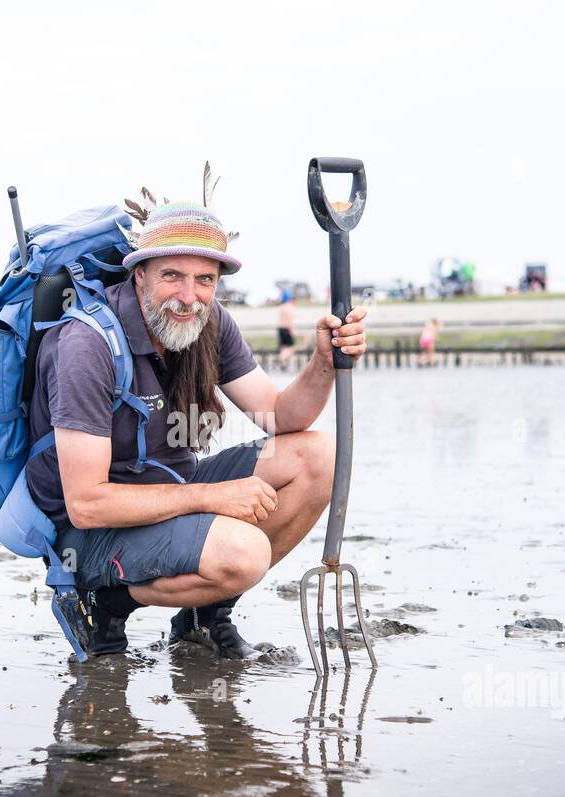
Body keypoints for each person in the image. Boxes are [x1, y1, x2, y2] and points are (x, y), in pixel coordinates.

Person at [26, 197, 368, 660]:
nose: (189, 296)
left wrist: (323, 363)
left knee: (318, 456)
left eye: (204, 279)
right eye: (172, 276)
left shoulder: (210, 323)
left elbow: (281, 417)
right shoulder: (87, 346)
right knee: (244, 553)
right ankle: (103, 601)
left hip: (170, 490)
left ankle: (201, 618)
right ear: (139, 273)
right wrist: (214, 498)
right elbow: (86, 504)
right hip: (92, 531)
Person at [276, 287, 297, 370]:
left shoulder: (282, 307)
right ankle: (281, 359)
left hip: (280, 329)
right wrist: (293, 330)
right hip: (286, 329)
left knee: (283, 347)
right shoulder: (290, 307)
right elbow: (289, 320)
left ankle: (283, 364)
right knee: (291, 348)